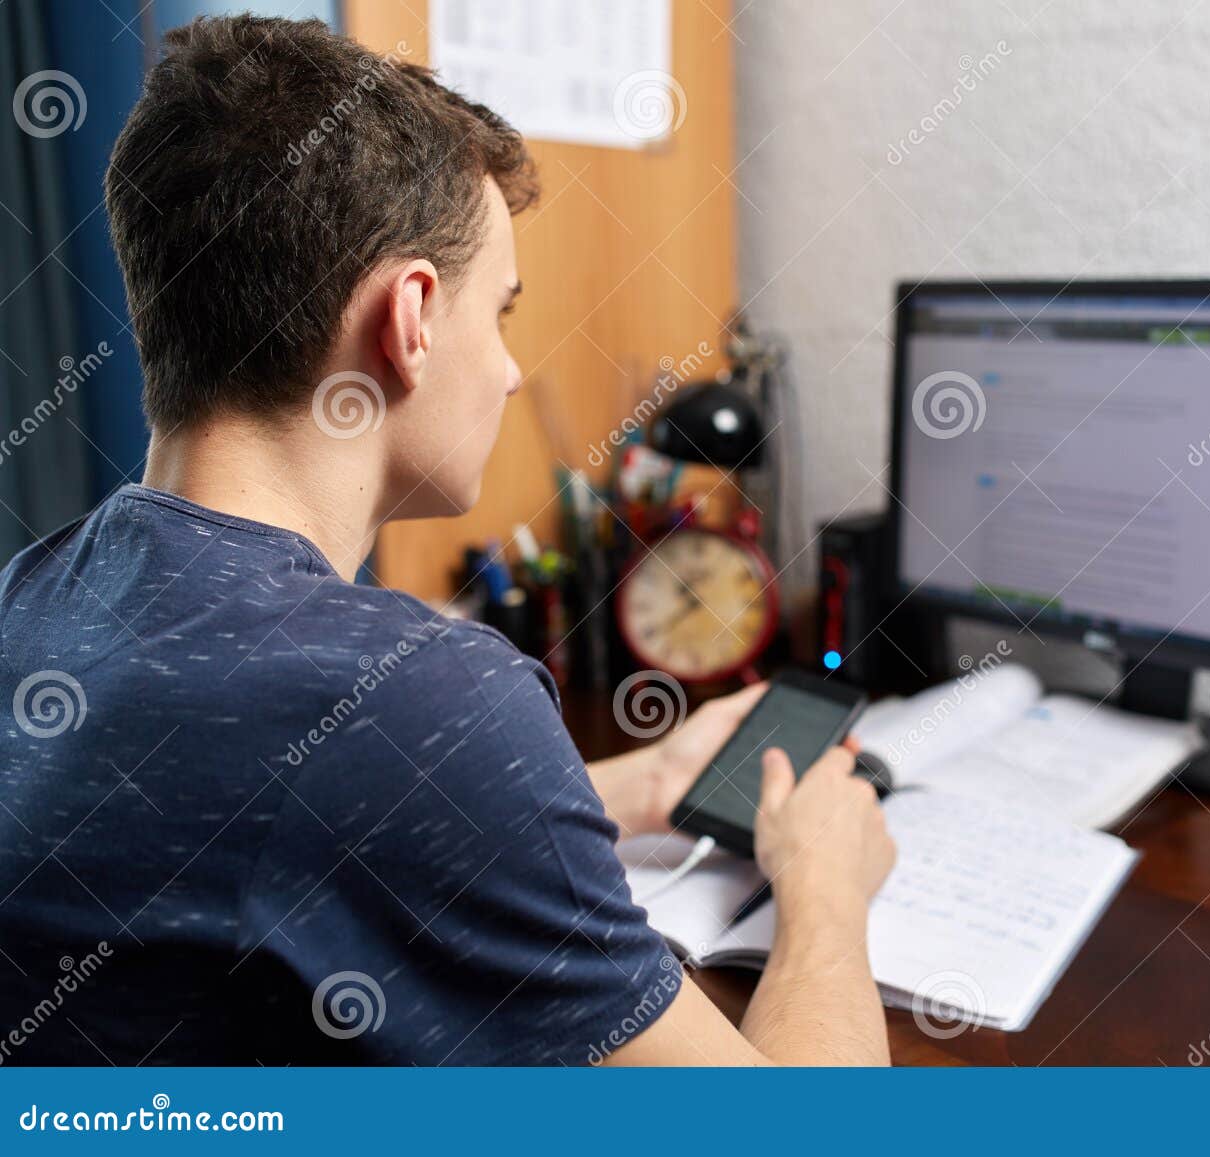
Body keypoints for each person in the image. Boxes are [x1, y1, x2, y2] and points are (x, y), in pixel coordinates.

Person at [0, 15, 894, 1067]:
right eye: (502, 312)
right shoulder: (415, 693)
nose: (512, 372)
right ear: (411, 318)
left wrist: (639, 784)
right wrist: (825, 889)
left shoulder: (35, 592)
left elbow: (255, 830)